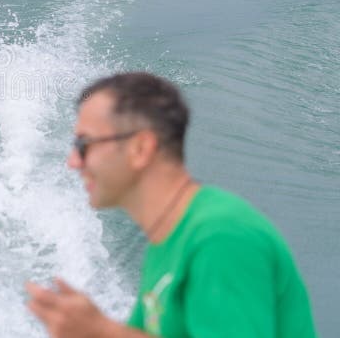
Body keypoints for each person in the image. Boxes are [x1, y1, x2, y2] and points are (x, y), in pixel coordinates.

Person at [26, 72, 316, 337]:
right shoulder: (168, 241)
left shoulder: (220, 236)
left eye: (84, 145)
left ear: (140, 149)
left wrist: (102, 332)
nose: (73, 162)